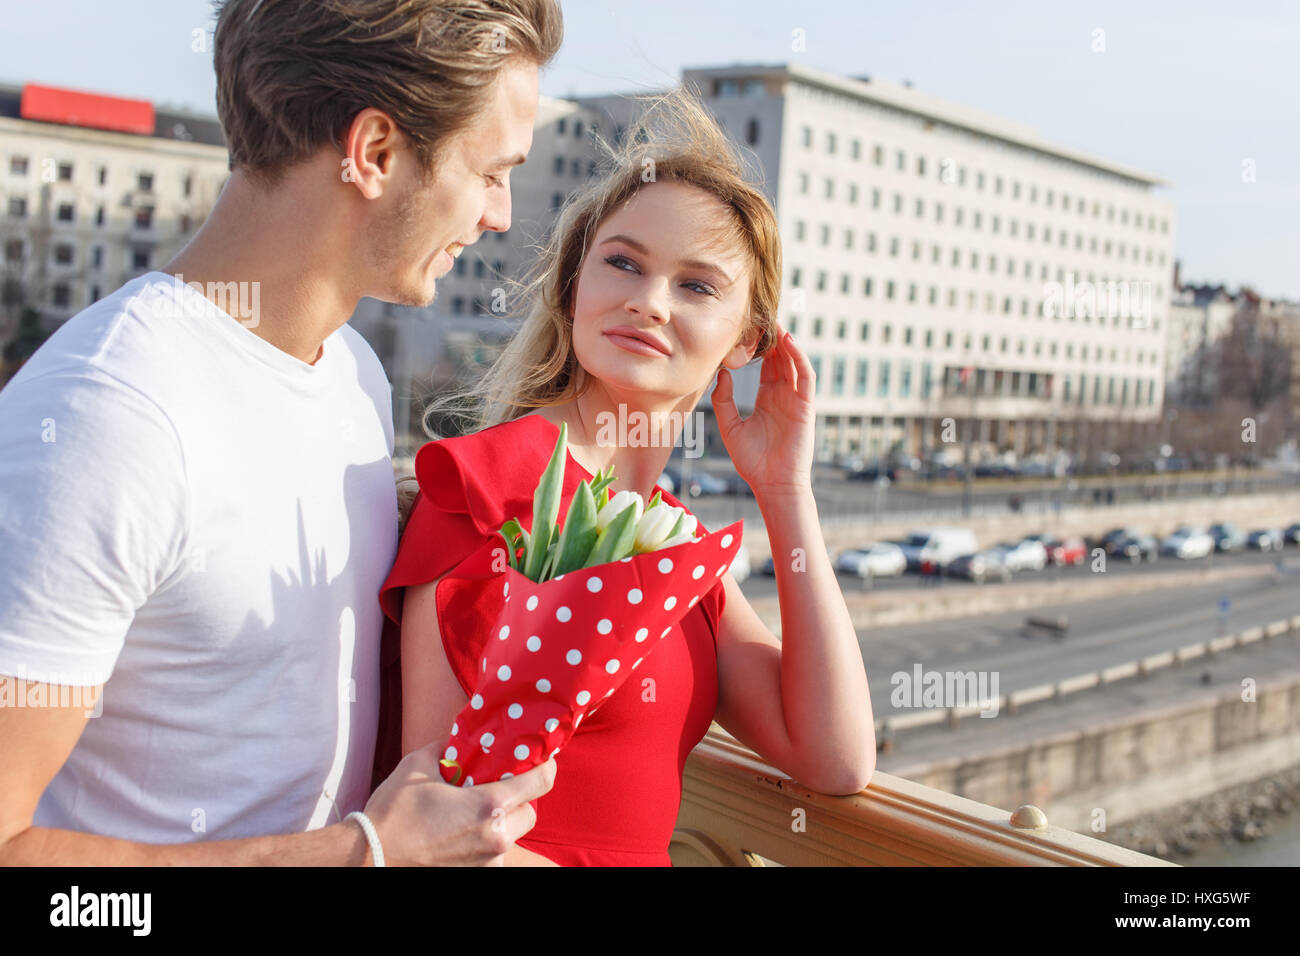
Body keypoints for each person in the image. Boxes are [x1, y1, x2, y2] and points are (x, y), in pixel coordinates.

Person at [0, 0, 563, 867]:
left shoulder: (354, 374)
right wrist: (361, 853)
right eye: (490, 171)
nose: (499, 213)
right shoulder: (109, 413)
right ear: (375, 153)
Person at [379, 90, 876, 866]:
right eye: (622, 263)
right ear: (575, 285)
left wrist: (786, 493)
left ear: (746, 342)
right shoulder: (485, 489)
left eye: (697, 285)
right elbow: (438, 834)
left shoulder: (673, 537)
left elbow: (835, 755)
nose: (648, 303)